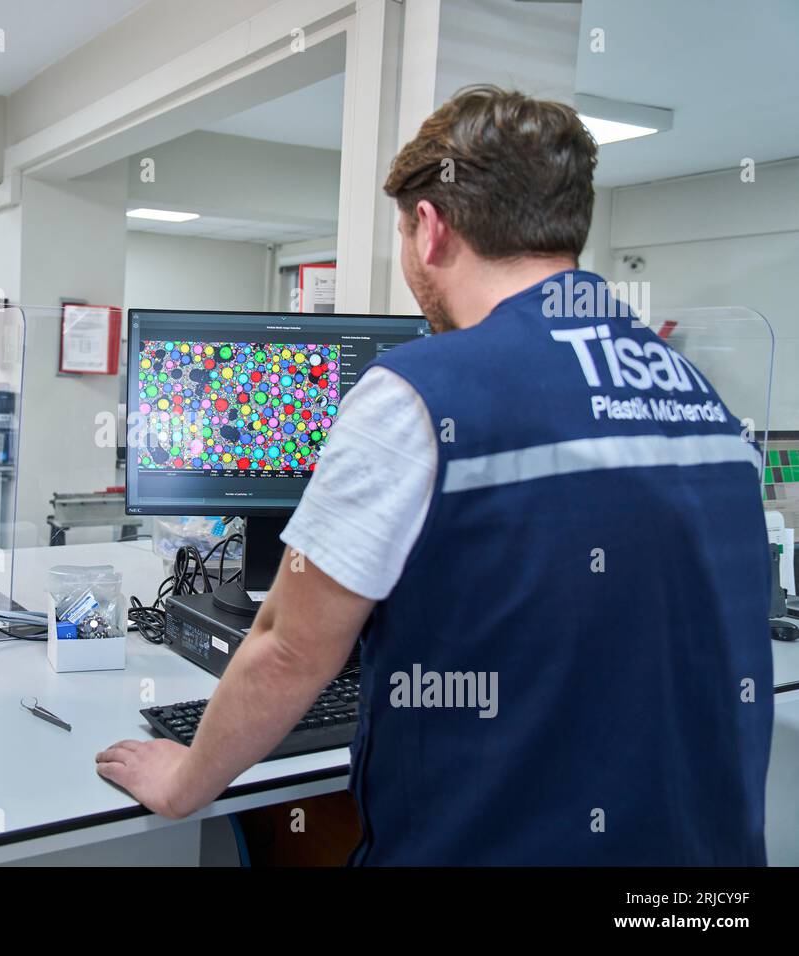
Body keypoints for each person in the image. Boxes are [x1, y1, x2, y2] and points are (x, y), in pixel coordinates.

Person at [96, 86, 773, 865]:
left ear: (429, 227)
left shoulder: (419, 391)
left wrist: (185, 782)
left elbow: (287, 647)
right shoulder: (702, 401)